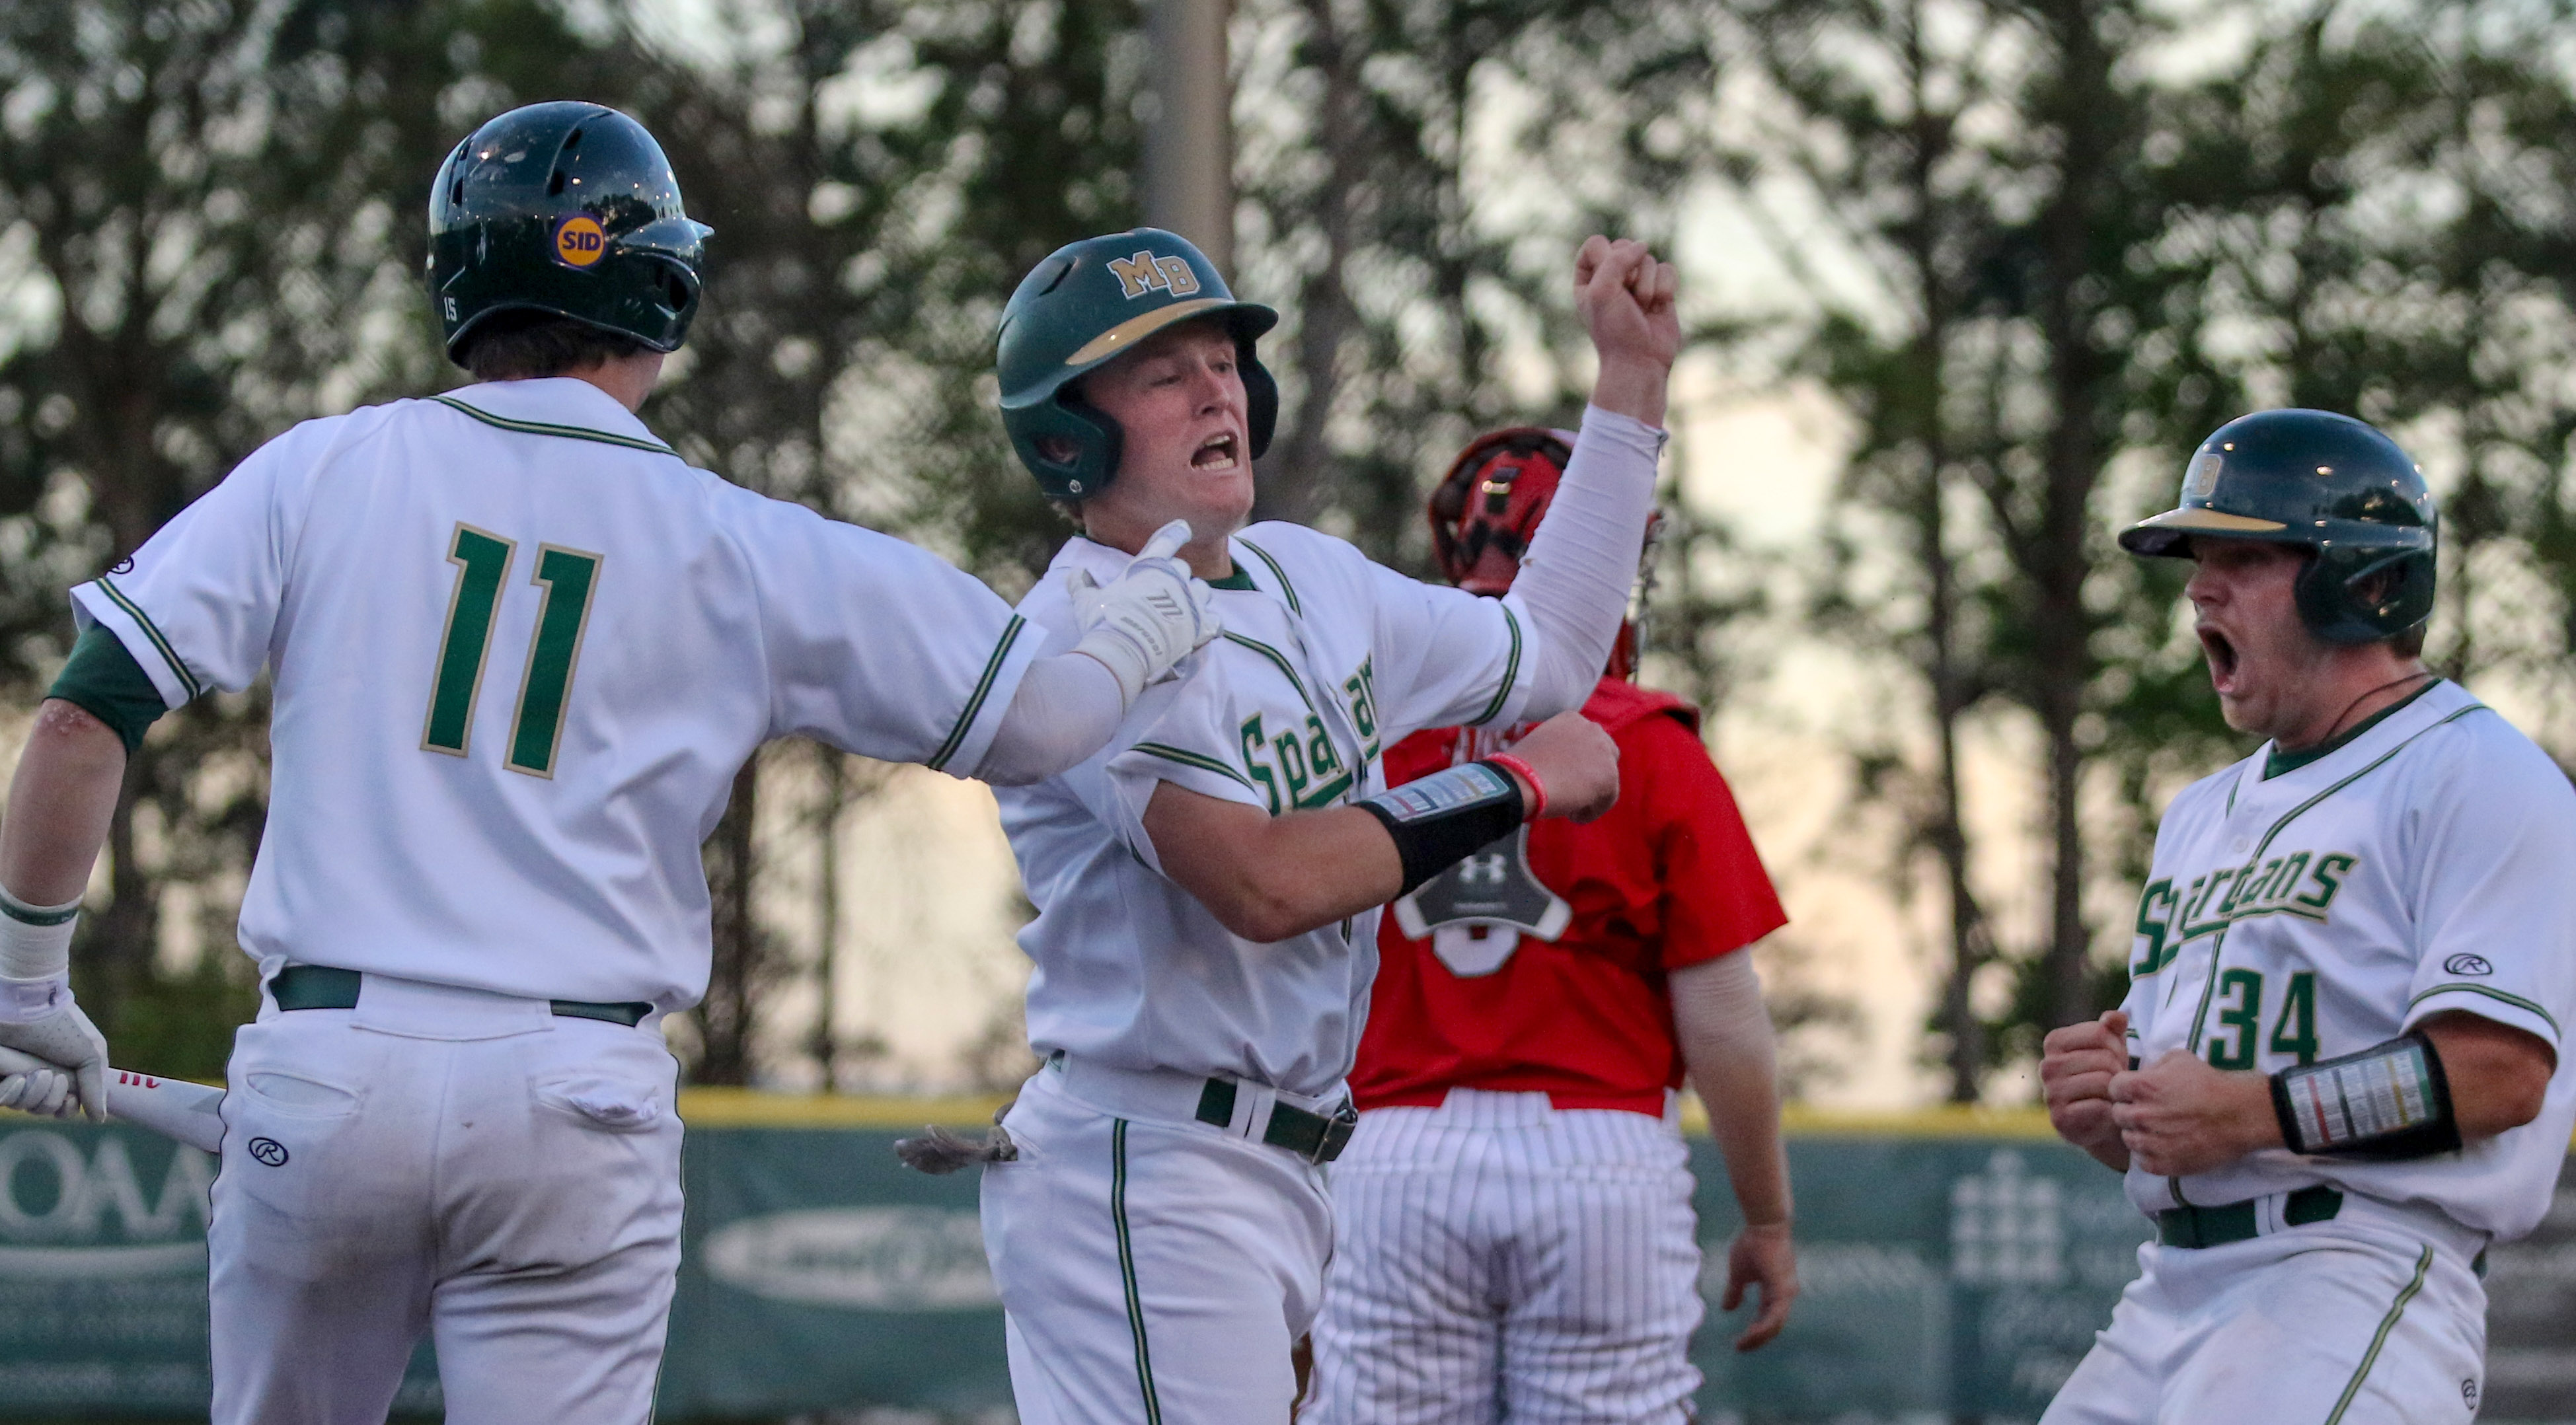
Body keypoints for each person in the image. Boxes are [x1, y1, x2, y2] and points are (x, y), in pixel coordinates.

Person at [0, 102, 1217, 1425]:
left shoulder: (325, 469)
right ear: (663, 287)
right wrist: (1139, 632)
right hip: (576, 1094)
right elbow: (1039, 725)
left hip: (328, 1066)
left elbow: (81, 715)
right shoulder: (737, 541)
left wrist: (23, 980)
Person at [970, 227, 1676, 1424]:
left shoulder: (1304, 576)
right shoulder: (1085, 631)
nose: (1215, 389)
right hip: (1150, 1160)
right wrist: (1511, 786)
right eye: (1161, 372)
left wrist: (1628, 390)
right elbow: (1261, 883)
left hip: (1280, 1156)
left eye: (1220, 358)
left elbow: (1549, 655)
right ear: (1067, 436)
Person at [2036, 408, 2576, 1425]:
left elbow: (2497, 1071)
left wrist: (2246, 1112)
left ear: (2365, 580)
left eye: (2242, 557)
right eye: (2196, 558)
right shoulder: (2199, 812)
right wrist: (2117, 1108)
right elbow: (2206, 1106)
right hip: (2171, 1283)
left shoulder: (2477, 773)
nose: (2200, 587)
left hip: (2352, 1270)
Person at [1301, 427, 1799, 1424]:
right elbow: (1723, 1018)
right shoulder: (1649, 740)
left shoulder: (1367, 730)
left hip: (1394, 1154)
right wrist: (1768, 1215)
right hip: (1596, 1155)